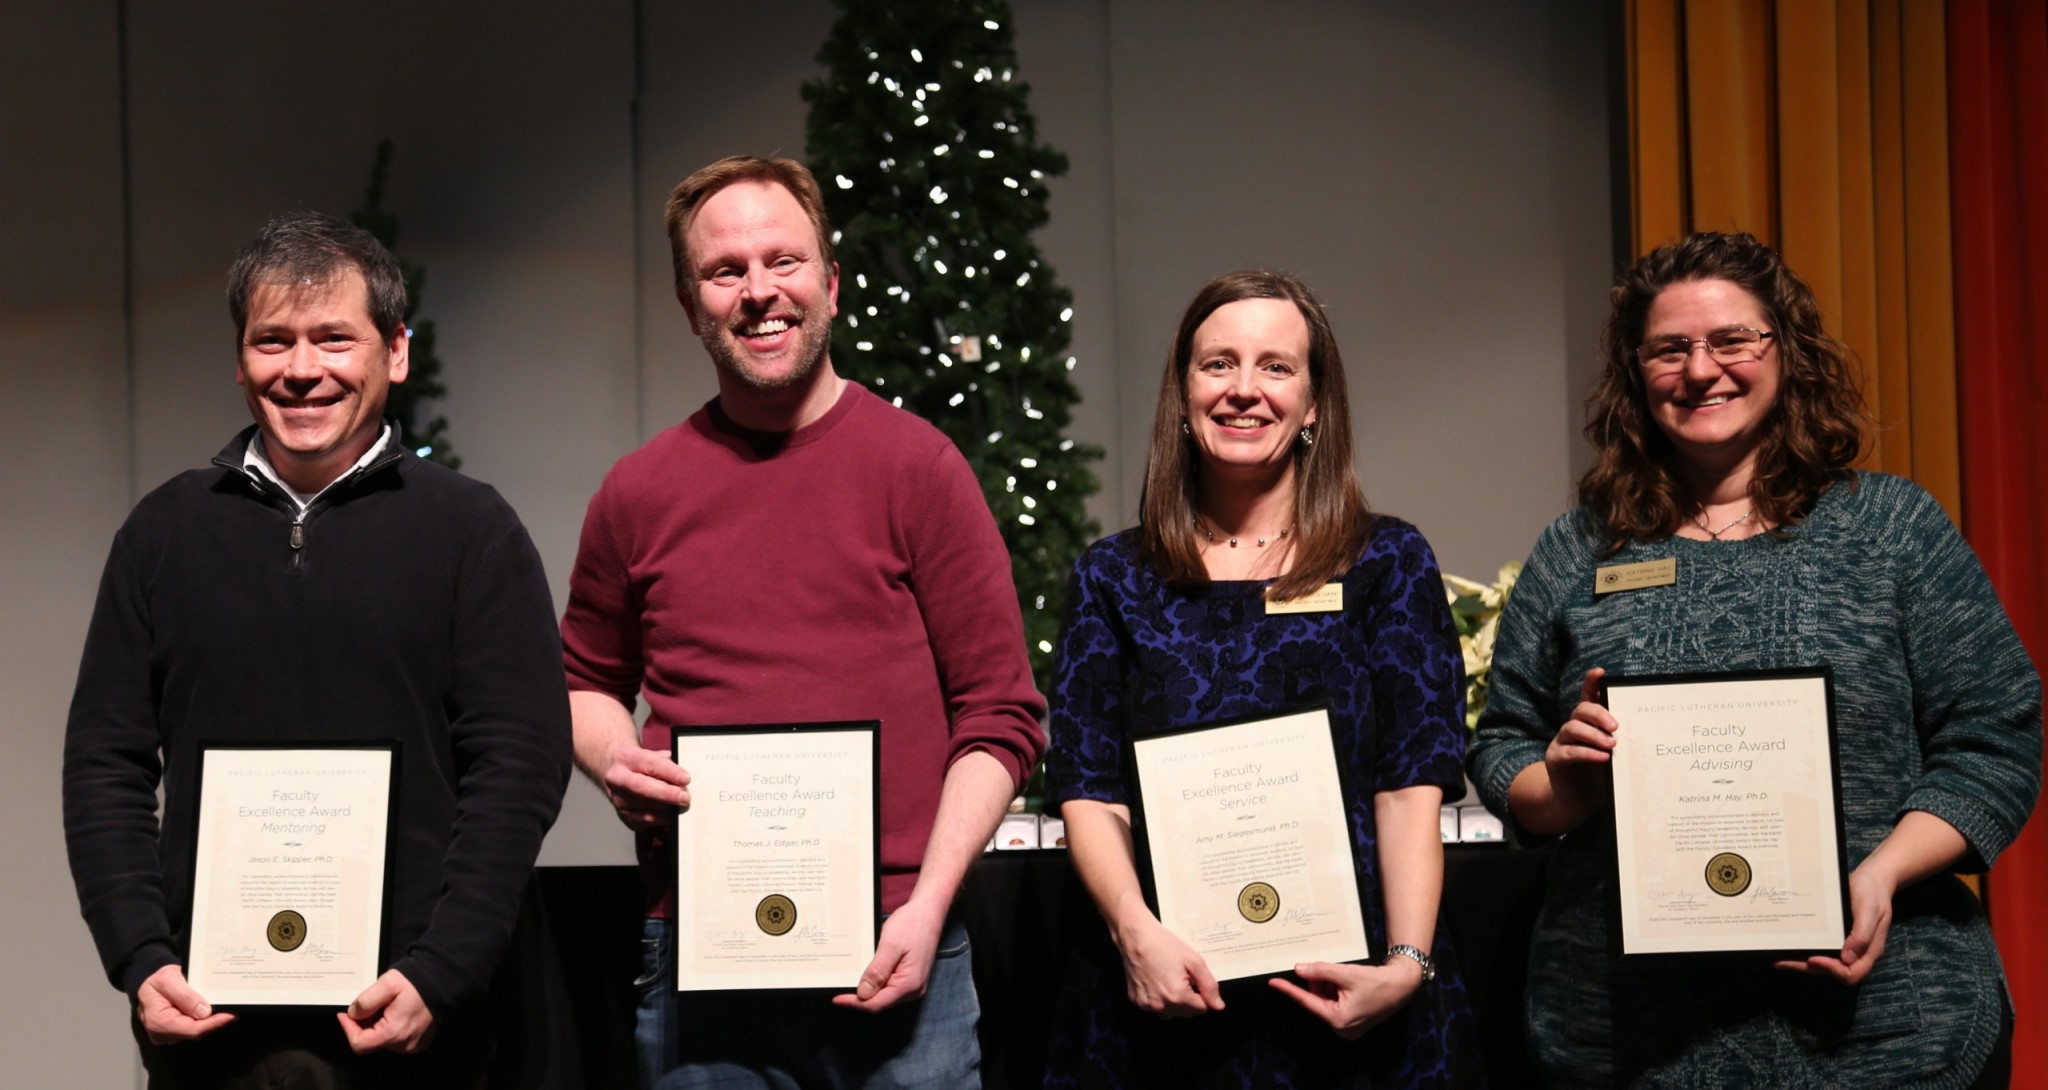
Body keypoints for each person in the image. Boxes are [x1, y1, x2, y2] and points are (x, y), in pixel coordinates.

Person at [1467, 231, 2041, 1086]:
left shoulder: (1891, 529)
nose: (1703, 371)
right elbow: (1502, 741)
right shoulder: (1579, 549)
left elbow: (1996, 738)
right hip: (1626, 1036)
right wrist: (1561, 785)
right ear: (1636, 372)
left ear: (1788, 352)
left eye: (1733, 339)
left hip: (1886, 1030)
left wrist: (1880, 875)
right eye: (1670, 349)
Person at [560, 155, 1046, 1089]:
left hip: (900, 949)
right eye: (724, 270)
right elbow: (584, 678)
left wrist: (929, 905)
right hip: (703, 955)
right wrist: (612, 756)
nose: (758, 292)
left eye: (782, 261)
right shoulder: (638, 493)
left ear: (828, 280)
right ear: (687, 300)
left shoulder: (921, 470)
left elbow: (1000, 715)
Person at [61, 211, 573, 1088]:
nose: (303, 370)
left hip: (412, 1028)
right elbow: (104, 765)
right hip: (210, 1034)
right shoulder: (162, 535)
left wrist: (441, 972)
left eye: (335, 338)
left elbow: (519, 766)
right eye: (274, 341)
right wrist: (140, 957)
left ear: (395, 353)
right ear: (240, 357)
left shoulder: (470, 532)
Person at [1043, 270, 1483, 1087]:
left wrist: (1406, 962)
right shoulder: (1114, 576)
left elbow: (1410, 782)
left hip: (1351, 993)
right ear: (1181, 395)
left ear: (1315, 404)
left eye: (1276, 367)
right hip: (1163, 1000)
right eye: (1218, 364)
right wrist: (1136, 935)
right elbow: (1088, 789)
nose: (1245, 389)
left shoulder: (1386, 562)